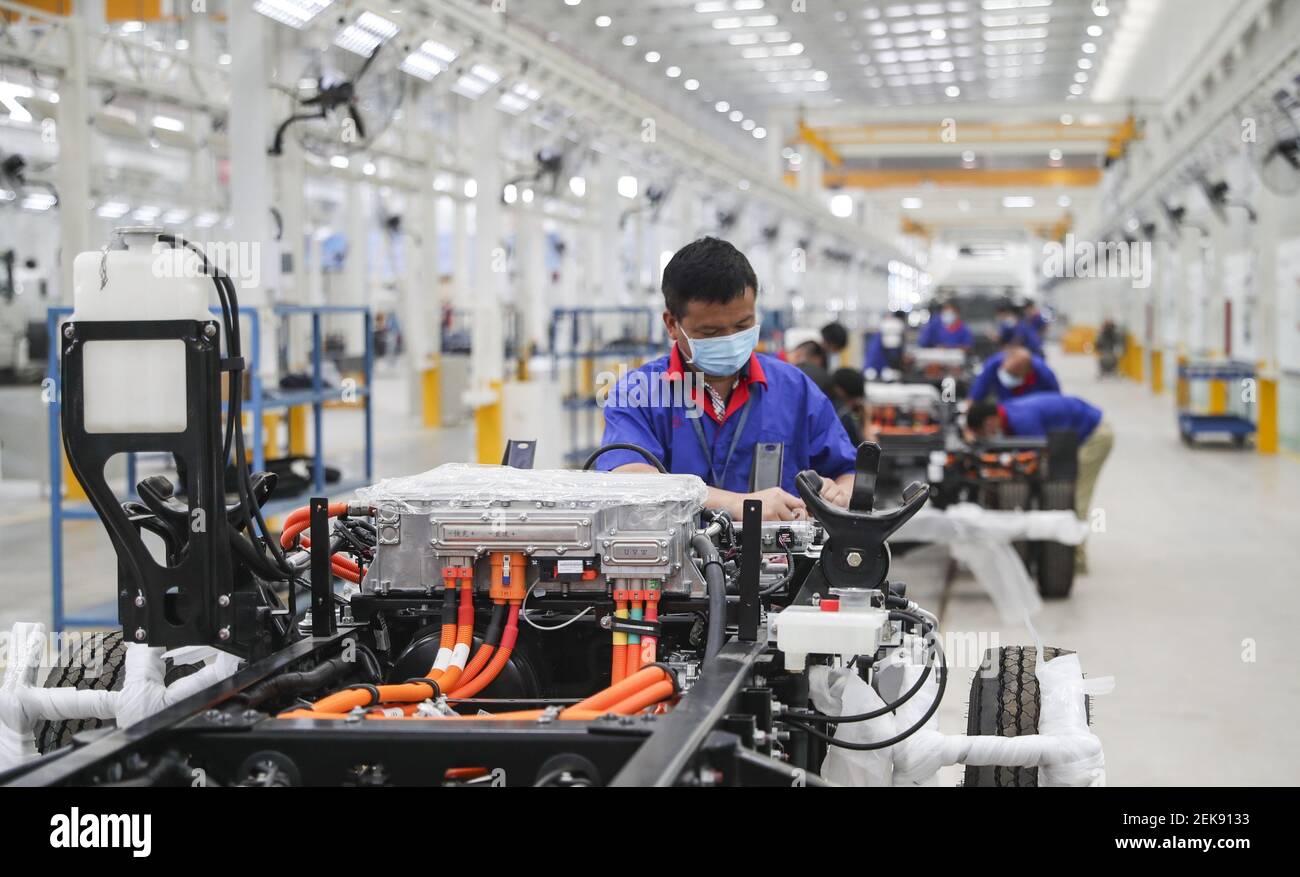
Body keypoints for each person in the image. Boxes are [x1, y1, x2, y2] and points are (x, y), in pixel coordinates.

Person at [594, 237, 858, 521]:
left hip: (779, 562)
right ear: (672, 324)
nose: (731, 341)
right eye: (710, 332)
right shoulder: (638, 395)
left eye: (743, 326)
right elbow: (630, 480)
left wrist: (840, 494)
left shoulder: (795, 390)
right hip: (671, 561)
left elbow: (848, 471)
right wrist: (737, 505)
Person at [966, 394, 1114, 571]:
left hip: (1095, 435)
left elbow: (1041, 456)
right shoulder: (1005, 412)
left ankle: (1076, 560)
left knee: (1073, 495)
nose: (988, 436)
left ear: (990, 421)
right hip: (1079, 428)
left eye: (983, 433)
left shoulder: (1022, 421)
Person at [967, 345, 1061, 403]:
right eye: (1008, 371)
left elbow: (1056, 402)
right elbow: (976, 394)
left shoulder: (1044, 374)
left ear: (1027, 373)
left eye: (1015, 375)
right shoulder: (993, 365)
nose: (1009, 376)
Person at [830, 367, 876, 446]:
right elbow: (870, 445)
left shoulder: (840, 412)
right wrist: (866, 422)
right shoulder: (846, 416)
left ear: (840, 390)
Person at [864, 310, 907, 379]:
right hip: (875, 373)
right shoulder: (876, 344)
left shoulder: (897, 344)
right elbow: (871, 360)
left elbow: (897, 356)